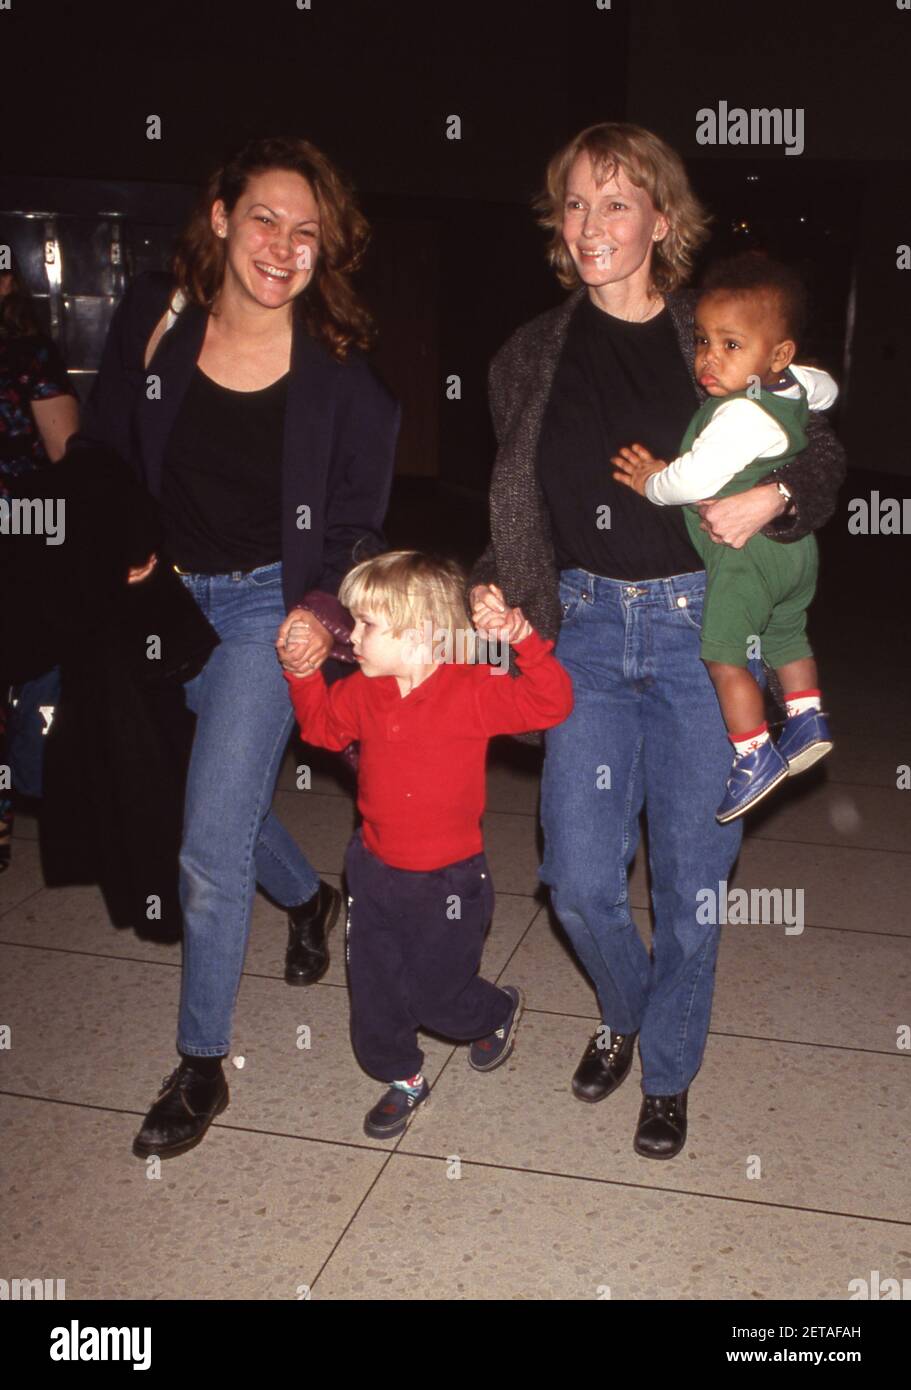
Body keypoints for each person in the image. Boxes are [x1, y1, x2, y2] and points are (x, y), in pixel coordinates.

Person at [469, 123, 845, 1159]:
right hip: (582, 630)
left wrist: (772, 493)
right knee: (580, 881)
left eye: (618, 201)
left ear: (660, 222)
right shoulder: (524, 357)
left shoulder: (716, 331)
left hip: (700, 637)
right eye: (578, 203)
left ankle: (665, 1069)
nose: (594, 224)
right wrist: (485, 594)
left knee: (688, 883)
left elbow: (818, 457)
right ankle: (628, 1009)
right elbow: (514, 513)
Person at [77, 136, 400, 1159]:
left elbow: (356, 520)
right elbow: (104, 447)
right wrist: (123, 546)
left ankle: (202, 1063)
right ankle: (311, 900)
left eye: (306, 231)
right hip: (168, 602)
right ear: (219, 217)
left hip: (268, 610)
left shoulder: (342, 375)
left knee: (208, 844)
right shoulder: (156, 315)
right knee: (213, 801)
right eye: (264, 217)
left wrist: (322, 605)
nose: (283, 245)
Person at [281, 551, 573, 1139]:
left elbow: (551, 704)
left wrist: (520, 638)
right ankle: (403, 1076)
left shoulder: (470, 688)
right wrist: (302, 675)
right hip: (371, 869)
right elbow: (320, 728)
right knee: (375, 987)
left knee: (438, 997)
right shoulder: (368, 690)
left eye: (366, 625)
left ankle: (494, 1011)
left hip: (450, 883)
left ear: (417, 637)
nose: (351, 637)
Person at [611, 253, 837, 822]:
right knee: (785, 633)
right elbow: (824, 388)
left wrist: (651, 480)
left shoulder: (739, 413)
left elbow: (696, 479)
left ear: (777, 354)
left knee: (725, 656)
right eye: (704, 341)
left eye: (731, 345)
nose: (709, 359)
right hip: (794, 555)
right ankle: (808, 715)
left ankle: (753, 752)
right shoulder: (793, 388)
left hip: (746, 555)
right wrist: (792, 371)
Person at [0, 256, 79, 872]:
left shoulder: (29, 356)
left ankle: (31, 787)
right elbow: (65, 456)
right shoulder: (31, 358)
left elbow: (67, 457)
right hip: (25, 533)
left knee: (32, 667)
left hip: (22, 535)